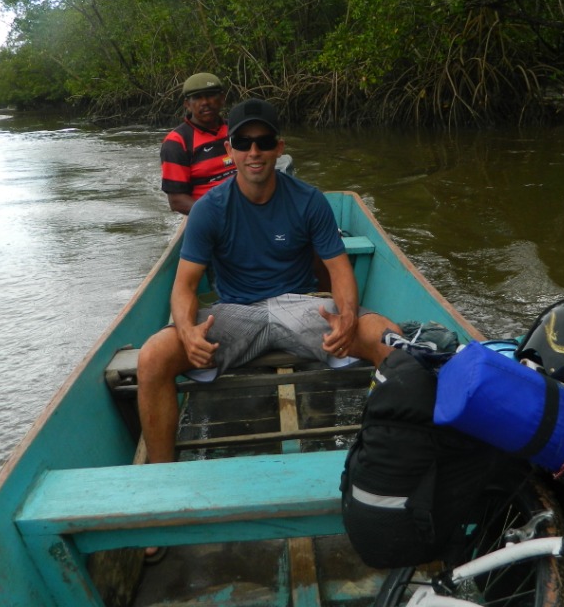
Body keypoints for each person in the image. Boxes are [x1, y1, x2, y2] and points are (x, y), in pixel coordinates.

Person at [137, 98, 402, 466]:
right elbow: (184, 287)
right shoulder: (208, 209)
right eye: (243, 143)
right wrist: (185, 330)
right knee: (151, 358)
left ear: (280, 147)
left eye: (264, 141)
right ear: (230, 150)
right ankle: (160, 476)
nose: (254, 151)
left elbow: (340, 271)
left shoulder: (309, 201)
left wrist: (348, 316)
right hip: (234, 314)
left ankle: (389, 463)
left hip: (301, 305)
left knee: (391, 340)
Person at [160, 72, 236, 214]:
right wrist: (219, 214)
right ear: (187, 104)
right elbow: (177, 200)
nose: (205, 102)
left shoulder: (238, 129)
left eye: (211, 95)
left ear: (222, 99)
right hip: (208, 213)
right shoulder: (176, 142)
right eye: (197, 97)